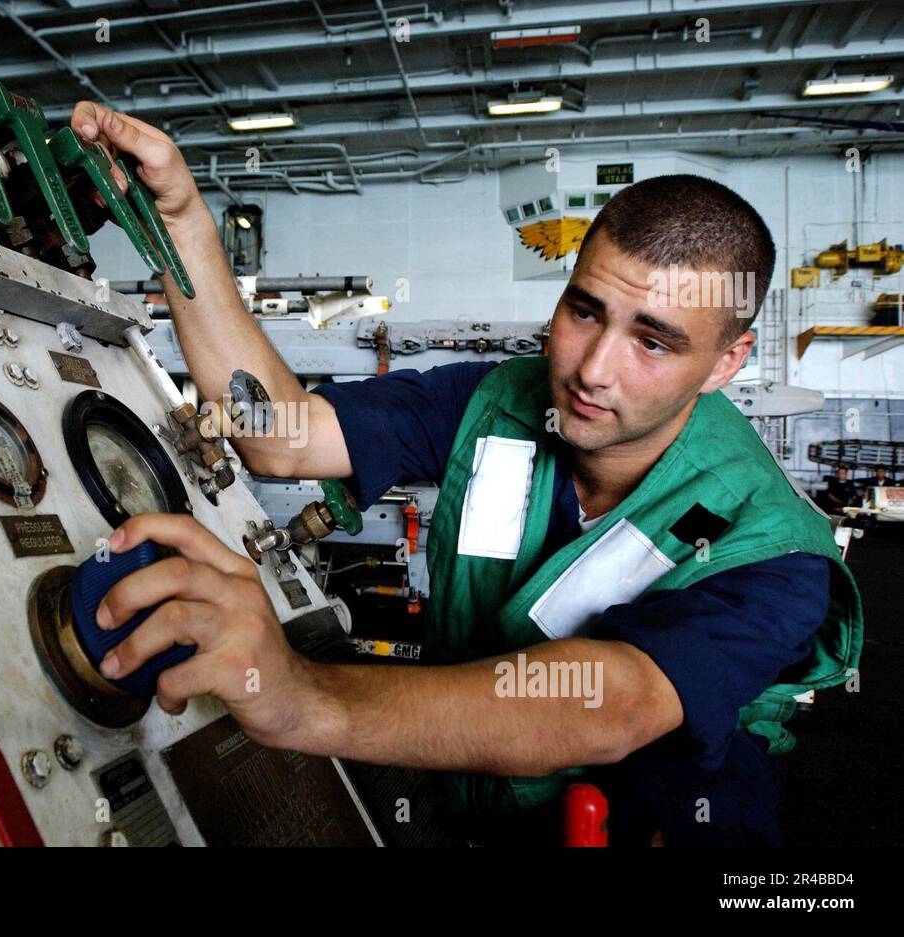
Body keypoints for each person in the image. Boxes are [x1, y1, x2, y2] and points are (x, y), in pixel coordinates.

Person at [69, 102, 863, 845]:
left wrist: (305, 695)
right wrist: (184, 227)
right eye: (584, 311)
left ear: (727, 362)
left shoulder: (776, 548)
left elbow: (606, 703)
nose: (591, 369)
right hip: (469, 813)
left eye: (653, 342)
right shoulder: (497, 403)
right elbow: (279, 434)